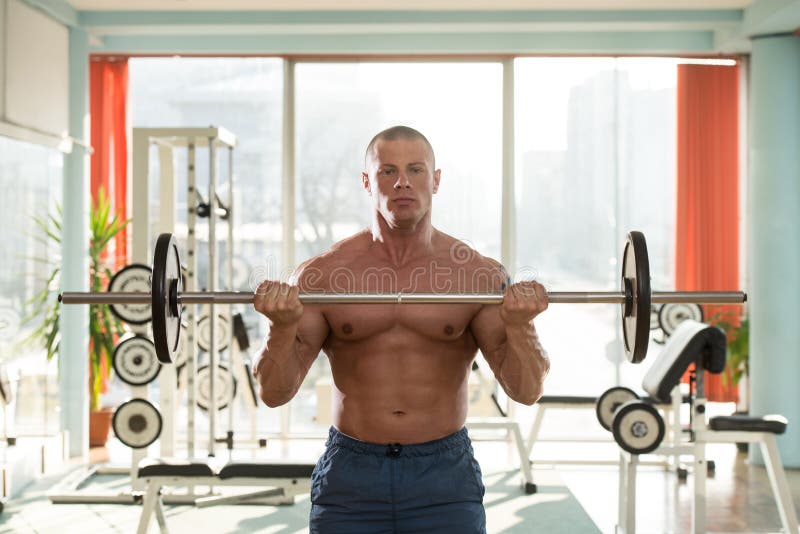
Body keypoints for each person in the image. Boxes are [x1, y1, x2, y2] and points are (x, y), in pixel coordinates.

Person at [252, 125, 550, 534]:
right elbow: (273, 393)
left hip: (444, 475)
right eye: (387, 171)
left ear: (437, 179)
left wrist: (523, 328)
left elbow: (527, 390)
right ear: (366, 182)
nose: (403, 182)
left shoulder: (476, 275)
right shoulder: (323, 274)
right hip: (351, 474)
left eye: (416, 169)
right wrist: (280, 329)